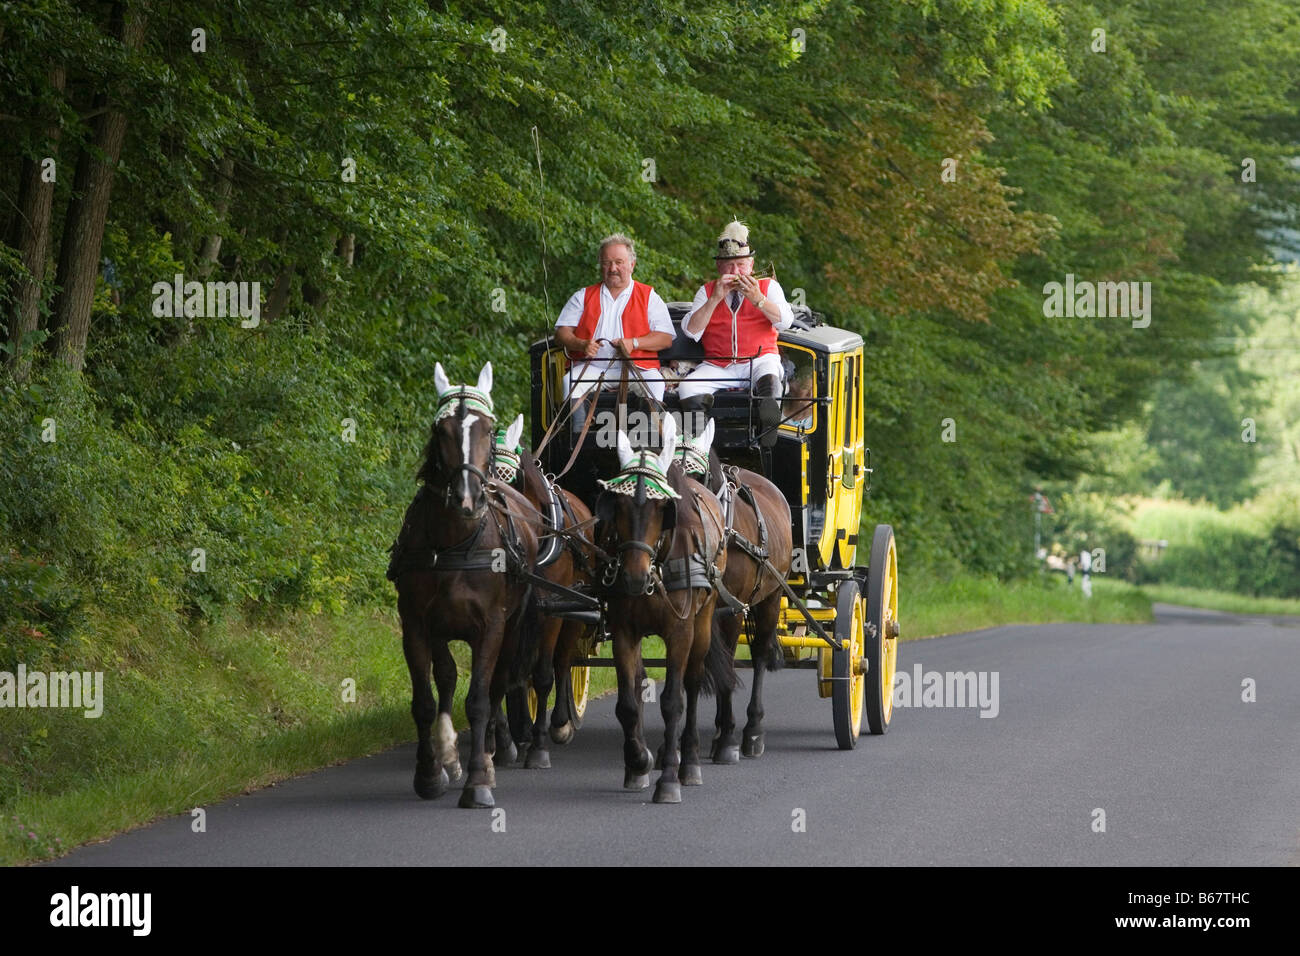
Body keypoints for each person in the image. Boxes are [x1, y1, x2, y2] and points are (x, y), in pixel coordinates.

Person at [677, 220, 794, 444]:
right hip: (719, 365)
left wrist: (758, 299)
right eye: (729, 266)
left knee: (769, 373)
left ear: (750, 265)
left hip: (759, 359)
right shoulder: (707, 291)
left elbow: (785, 321)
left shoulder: (769, 286)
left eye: (740, 265)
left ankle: (766, 434)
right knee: (688, 386)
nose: (735, 272)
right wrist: (714, 299)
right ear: (719, 268)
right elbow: (691, 332)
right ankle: (698, 443)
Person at [553, 233, 674, 406]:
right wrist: (582, 345)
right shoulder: (583, 296)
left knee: (655, 383)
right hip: (593, 367)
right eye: (606, 263)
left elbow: (666, 338)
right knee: (569, 381)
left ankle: (650, 433)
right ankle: (579, 433)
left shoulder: (649, 296)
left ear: (632, 265)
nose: (612, 268)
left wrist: (634, 343)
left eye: (619, 262)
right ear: (600, 266)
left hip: (637, 368)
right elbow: (561, 333)